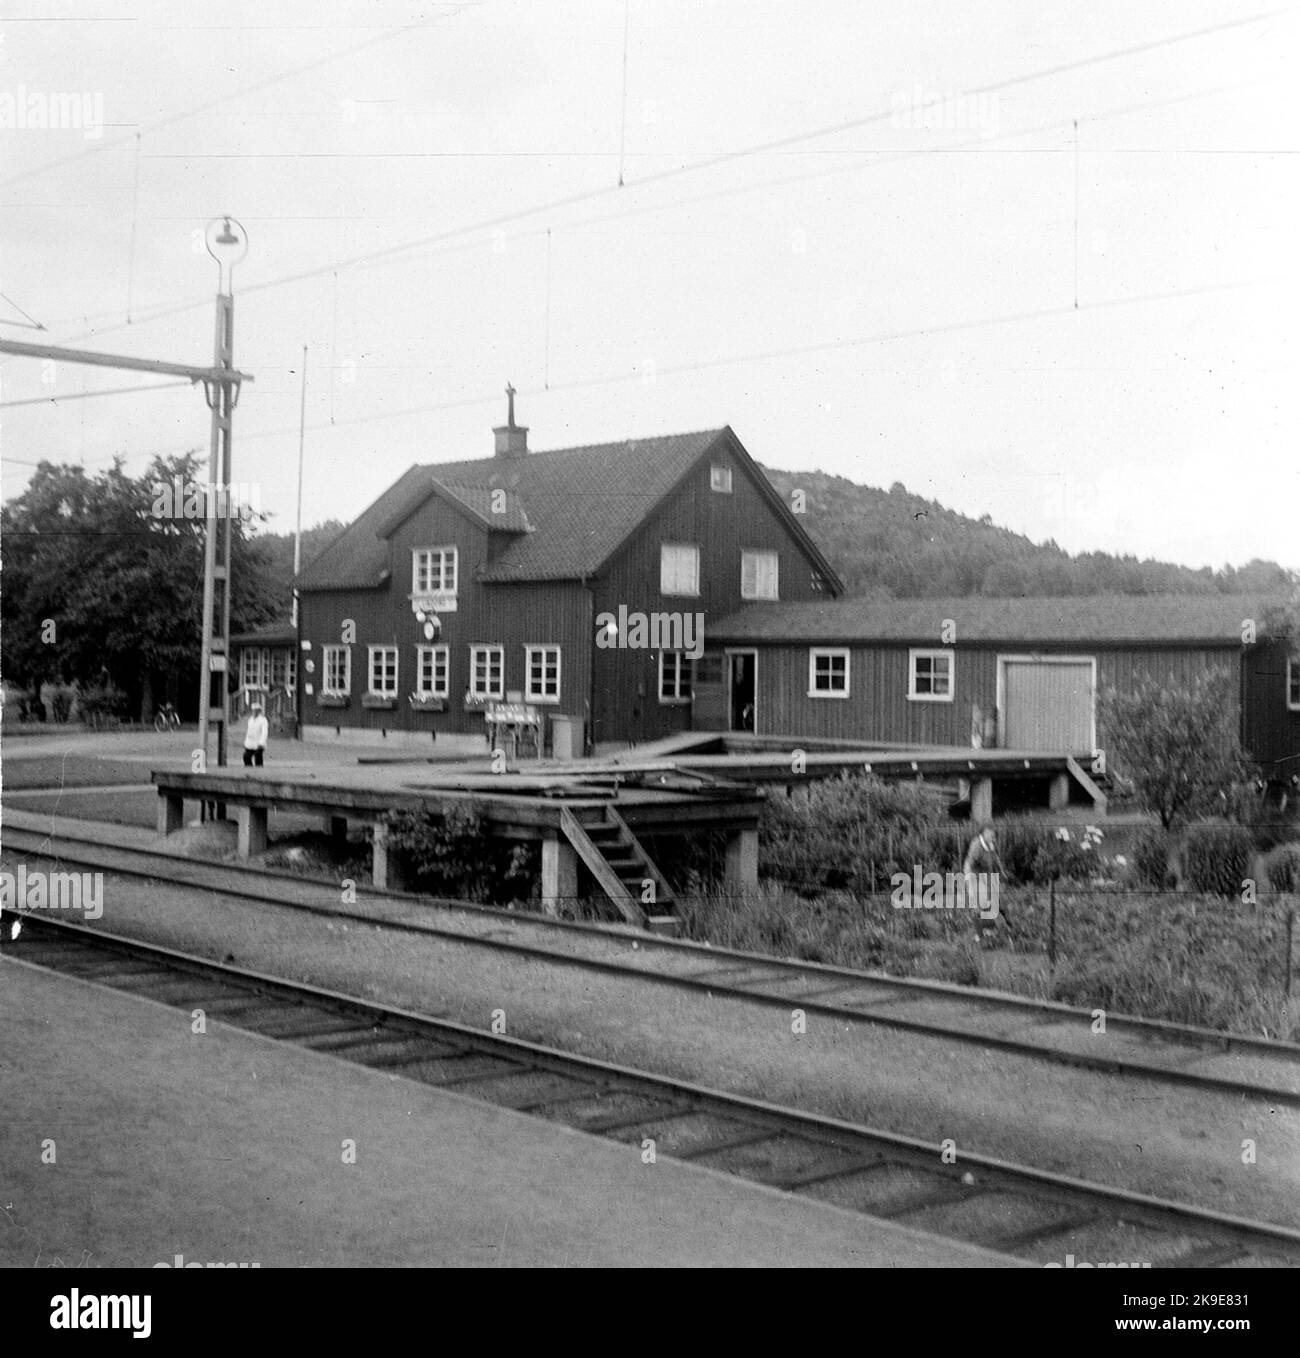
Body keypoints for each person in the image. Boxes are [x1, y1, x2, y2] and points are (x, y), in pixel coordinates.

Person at [963, 824, 1007, 946]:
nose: (993, 837)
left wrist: (1001, 870)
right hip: (974, 876)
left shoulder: (991, 843)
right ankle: (980, 935)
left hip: (986, 875)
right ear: (984, 833)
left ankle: (993, 928)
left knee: (997, 902)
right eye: (991, 835)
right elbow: (969, 864)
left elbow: (995, 857)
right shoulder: (977, 846)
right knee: (976, 906)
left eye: (994, 835)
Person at [243, 702, 268, 768]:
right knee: (246, 757)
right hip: (250, 743)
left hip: (259, 744)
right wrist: (246, 743)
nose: (255, 712)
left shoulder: (263, 720)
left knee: (258, 757)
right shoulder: (250, 720)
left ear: (259, 711)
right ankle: (249, 770)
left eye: (256, 710)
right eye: (253, 710)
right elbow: (248, 732)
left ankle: (259, 771)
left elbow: (264, 733)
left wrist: (261, 743)